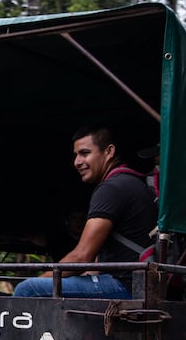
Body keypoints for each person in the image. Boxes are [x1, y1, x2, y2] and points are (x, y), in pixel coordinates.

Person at [13, 125, 158, 299]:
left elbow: (82, 256)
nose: (77, 162)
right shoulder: (131, 182)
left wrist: (43, 279)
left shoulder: (111, 188)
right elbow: (98, 261)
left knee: (28, 289)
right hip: (136, 284)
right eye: (75, 155)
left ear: (109, 151)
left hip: (126, 286)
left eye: (85, 153)